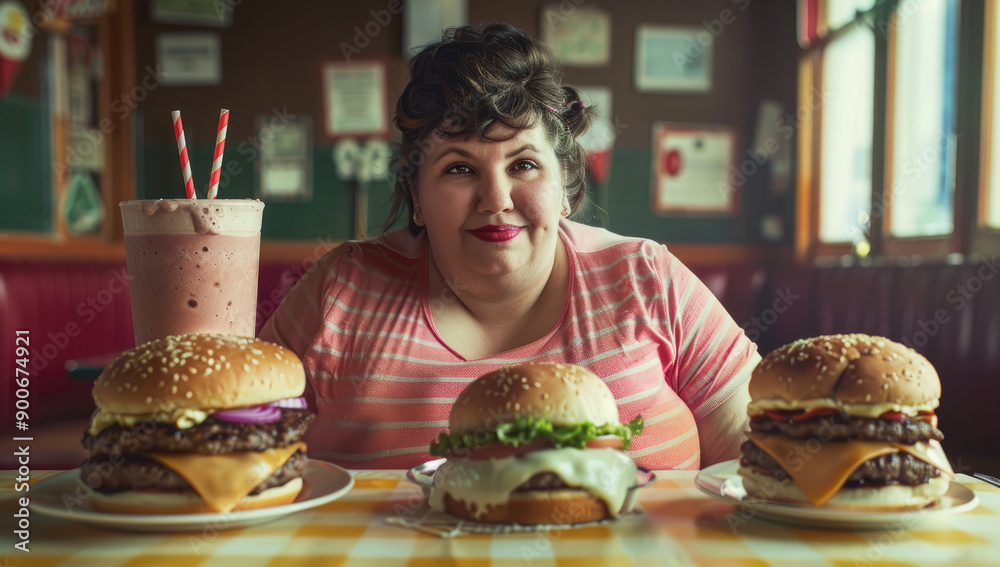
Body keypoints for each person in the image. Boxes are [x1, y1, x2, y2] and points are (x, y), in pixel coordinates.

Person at [259, 23, 760, 470]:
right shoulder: (340, 288)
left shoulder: (648, 276)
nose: (495, 200)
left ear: (563, 182)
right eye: (459, 169)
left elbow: (761, 458)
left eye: (523, 165)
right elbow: (240, 445)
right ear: (416, 193)